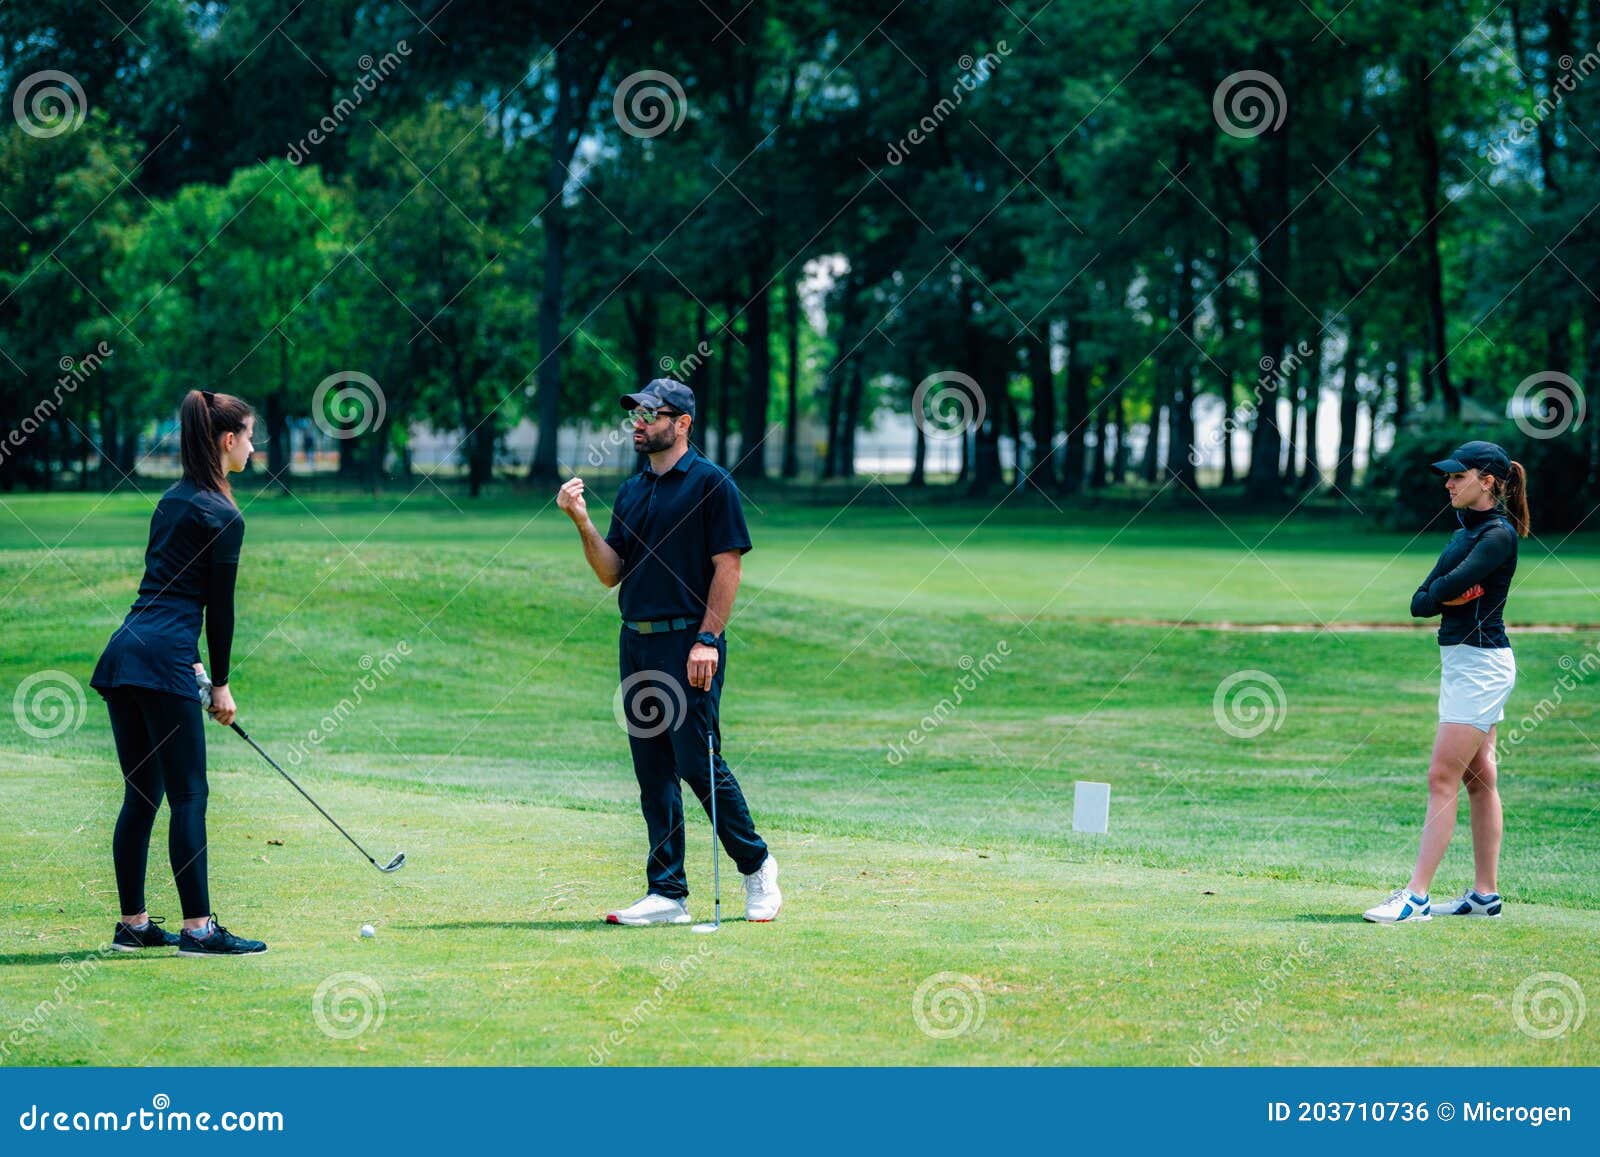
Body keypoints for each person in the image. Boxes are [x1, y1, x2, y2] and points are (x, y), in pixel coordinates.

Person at [557, 378, 781, 926]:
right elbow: (612, 572)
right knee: (652, 769)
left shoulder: (711, 484)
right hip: (636, 640)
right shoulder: (634, 490)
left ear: (681, 423)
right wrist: (582, 521)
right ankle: (667, 893)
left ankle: (757, 866)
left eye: (650, 413)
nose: (638, 421)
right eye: (635, 412)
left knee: (696, 764)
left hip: (689, 643)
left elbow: (728, 567)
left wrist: (708, 639)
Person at [90, 389, 268, 956]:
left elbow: (167, 591)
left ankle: (134, 925)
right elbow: (220, 609)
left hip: (126, 654)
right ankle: (198, 929)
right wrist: (220, 682)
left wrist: (188, 660)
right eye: (249, 435)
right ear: (227, 440)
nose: (253, 445)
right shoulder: (224, 514)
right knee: (189, 794)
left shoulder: (171, 499)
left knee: (142, 794)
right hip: (163, 660)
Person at [1364, 440, 1530, 924]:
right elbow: (1422, 601)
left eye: (1459, 475)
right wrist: (1446, 593)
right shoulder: (1465, 532)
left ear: (1489, 482)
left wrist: (1446, 592)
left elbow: (1441, 591)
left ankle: (1416, 896)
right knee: (1479, 778)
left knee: (1442, 777)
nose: (1449, 482)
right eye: (1449, 475)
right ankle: (1484, 896)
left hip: (1481, 665)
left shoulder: (1497, 535)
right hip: (1464, 661)